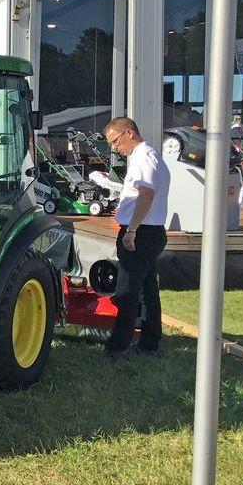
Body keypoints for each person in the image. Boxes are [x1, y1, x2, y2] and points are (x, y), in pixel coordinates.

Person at [101, 116, 170, 358]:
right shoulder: (149, 156)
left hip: (140, 232)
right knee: (148, 289)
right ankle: (149, 342)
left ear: (129, 133)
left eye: (115, 141)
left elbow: (146, 194)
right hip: (149, 231)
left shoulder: (142, 157)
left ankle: (117, 346)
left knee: (127, 292)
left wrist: (132, 229)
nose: (115, 148)